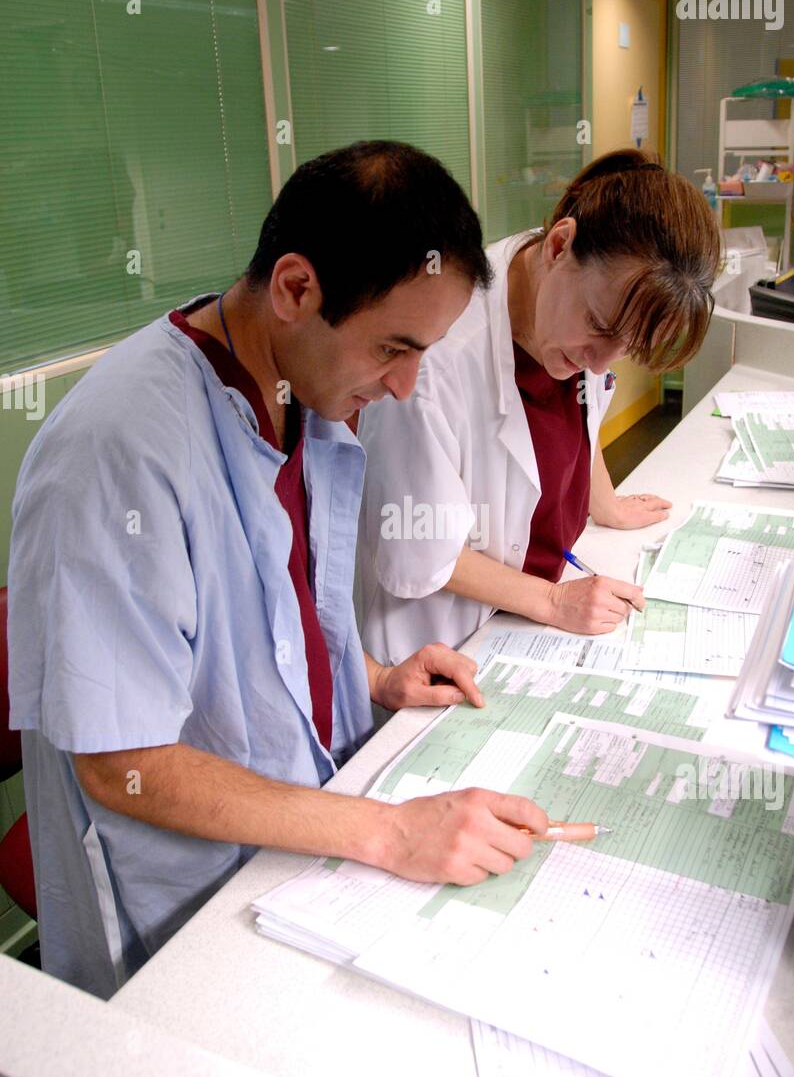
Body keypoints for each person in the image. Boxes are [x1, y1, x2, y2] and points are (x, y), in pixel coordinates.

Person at [7, 141, 548, 999]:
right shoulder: (117, 453)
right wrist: (387, 832)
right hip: (185, 908)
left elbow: (275, 610)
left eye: (424, 356)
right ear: (296, 289)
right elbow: (121, 762)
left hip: (306, 831)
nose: (406, 387)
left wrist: (374, 678)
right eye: (394, 349)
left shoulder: (306, 394)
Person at [356, 149, 721, 665]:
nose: (599, 365)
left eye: (628, 347)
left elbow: (584, 413)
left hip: (531, 615)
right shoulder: (435, 357)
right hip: (445, 641)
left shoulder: (575, 304)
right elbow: (419, 548)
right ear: (558, 245)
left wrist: (604, 502)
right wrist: (552, 601)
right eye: (599, 327)